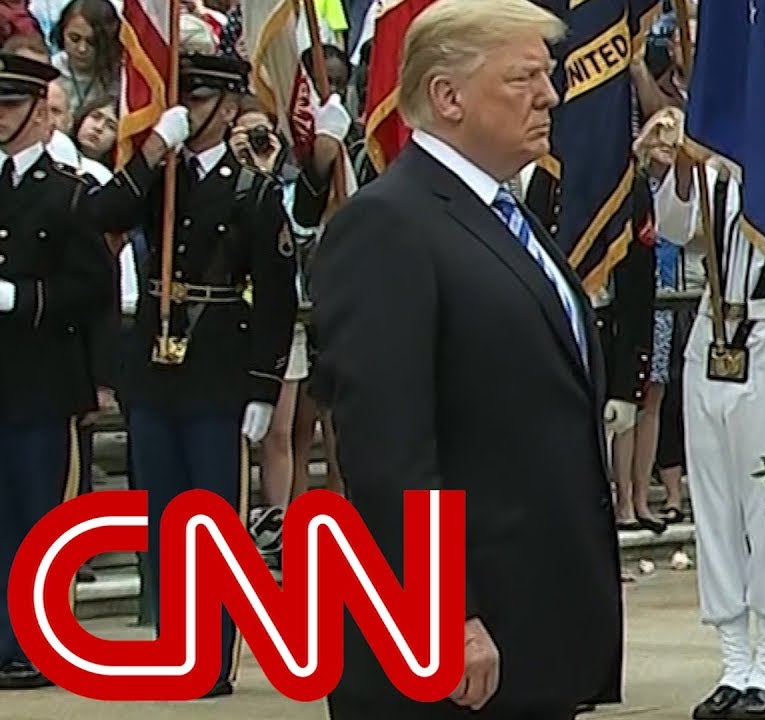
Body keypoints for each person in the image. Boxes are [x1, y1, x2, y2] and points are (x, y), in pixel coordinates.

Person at [309, 0, 622, 718]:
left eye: (547, 75)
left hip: (535, 632)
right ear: (448, 96)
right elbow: (388, 450)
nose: (549, 96)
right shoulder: (388, 224)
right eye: (523, 78)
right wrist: (443, 611)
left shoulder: (506, 220)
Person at [82, 51, 343, 698]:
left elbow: (276, 298)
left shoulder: (251, 190)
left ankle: (211, 653)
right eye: (184, 99)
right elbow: (101, 216)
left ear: (228, 108)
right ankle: (174, 642)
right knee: (161, 514)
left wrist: (263, 387)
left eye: (198, 101)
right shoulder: (159, 177)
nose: (187, 110)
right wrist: (151, 149)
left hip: (216, 366)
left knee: (211, 517)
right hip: (153, 366)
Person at [654, 146, 765, 720]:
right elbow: (674, 227)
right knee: (713, 506)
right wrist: (684, 166)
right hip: (710, 334)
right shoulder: (714, 175)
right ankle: (733, 663)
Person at [0, 51, 115, 690]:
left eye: (12, 106)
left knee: (37, 516)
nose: (0, 117)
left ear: (42, 115)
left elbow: (92, 289)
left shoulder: (70, 194)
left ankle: (35, 641)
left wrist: (22, 298)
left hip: (41, 378)